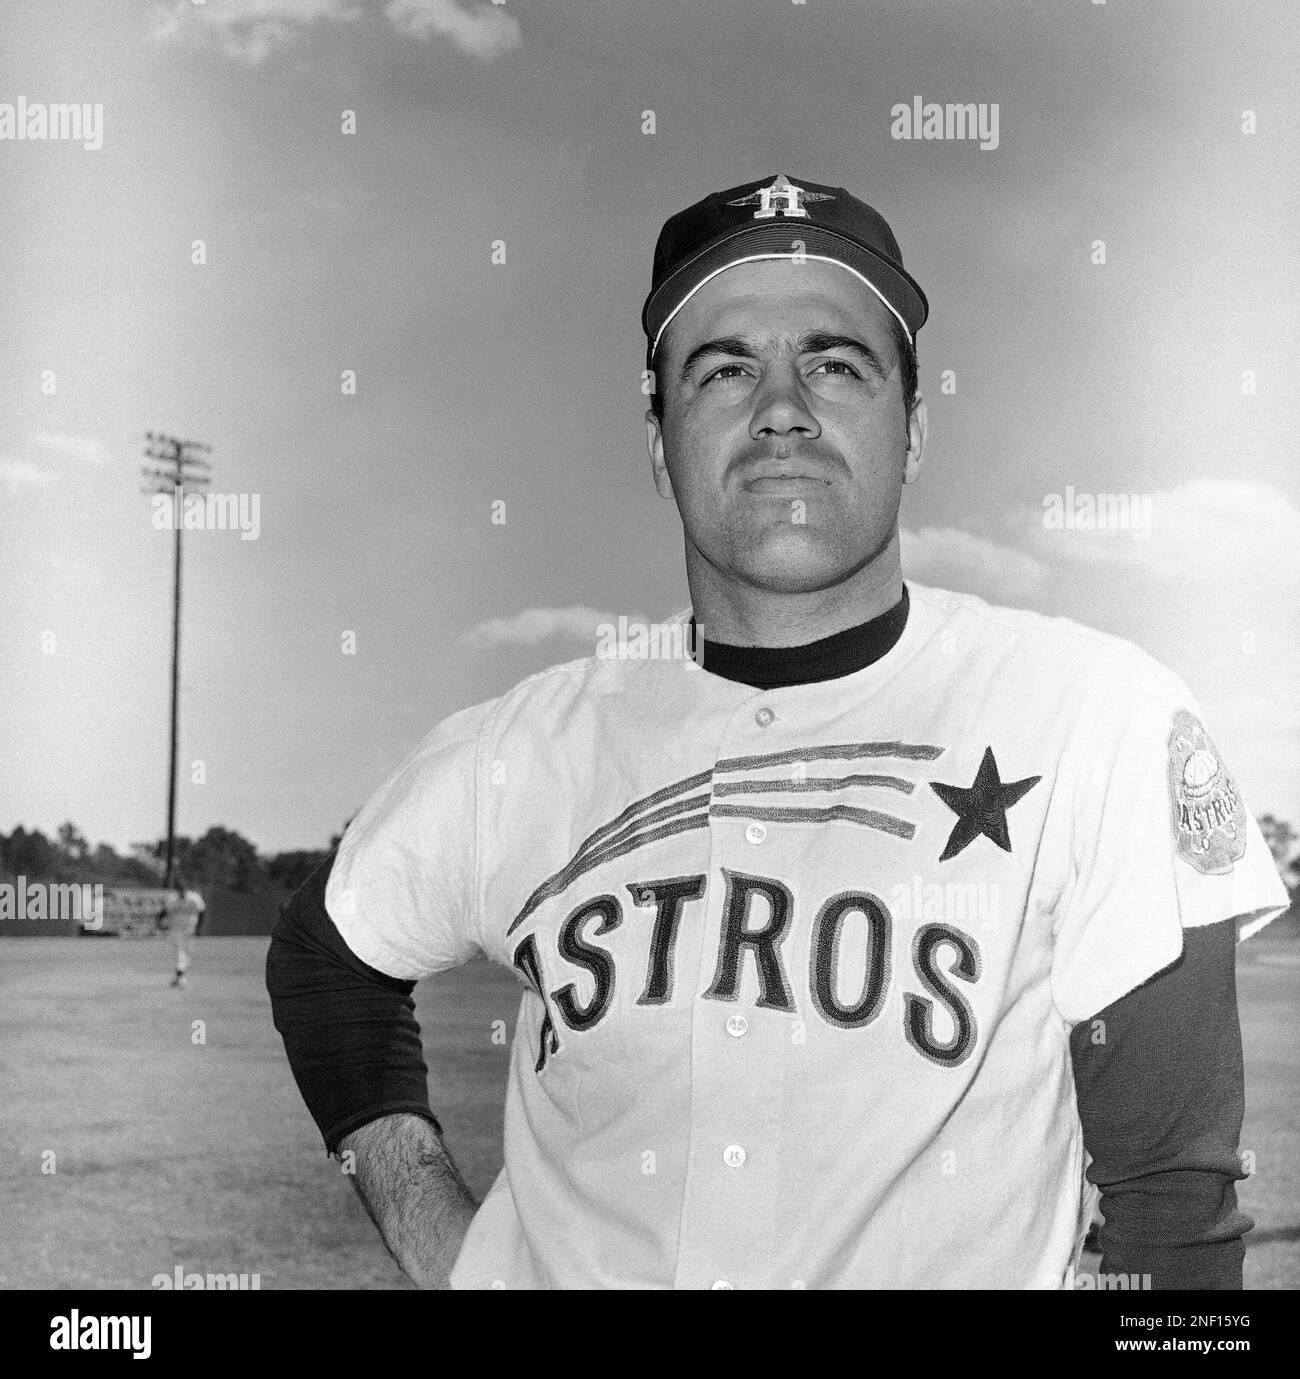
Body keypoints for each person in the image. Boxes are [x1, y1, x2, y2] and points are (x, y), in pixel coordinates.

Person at [267, 174, 1289, 1290]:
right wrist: (443, 1241)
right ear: (659, 442)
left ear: (913, 429)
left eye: (836, 362)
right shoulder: (522, 750)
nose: (782, 406)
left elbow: (1175, 1216)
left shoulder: (1096, 715)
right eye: (723, 368)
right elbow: (329, 955)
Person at [160, 877, 204, 988]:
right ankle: (181, 979)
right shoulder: (173, 900)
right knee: (180, 955)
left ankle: (179, 978)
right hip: (177, 931)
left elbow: (202, 911)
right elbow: (164, 912)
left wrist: (199, 927)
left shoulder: (194, 898)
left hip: (190, 930)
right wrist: (158, 920)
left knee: (187, 956)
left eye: (182, 887)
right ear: (176, 889)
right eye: (179, 887)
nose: (181, 889)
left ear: (186, 888)